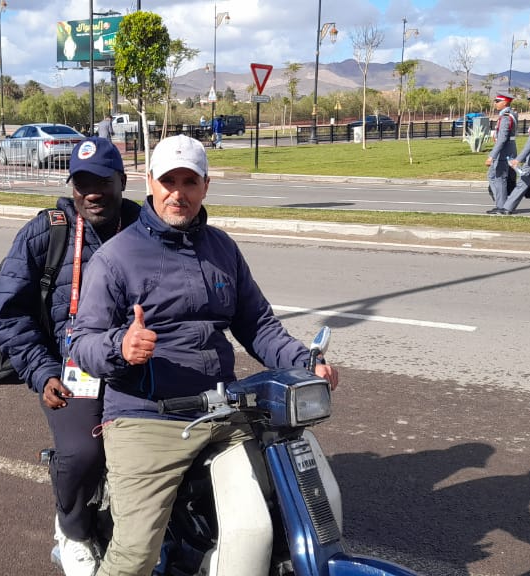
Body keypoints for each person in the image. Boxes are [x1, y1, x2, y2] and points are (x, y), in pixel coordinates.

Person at [67, 134, 339, 576]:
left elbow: (258, 324)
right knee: (135, 554)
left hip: (222, 410)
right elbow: (83, 343)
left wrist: (304, 362)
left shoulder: (221, 248)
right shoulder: (116, 258)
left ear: (205, 186)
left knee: (283, 509)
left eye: (189, 181)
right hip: (147, 419)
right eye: (169, 181)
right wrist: (122, 346)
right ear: (150, 183)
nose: (179, 193)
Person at [0, 136, 140, 576]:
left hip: (135, 365)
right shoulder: (47, 232)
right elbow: (8, 315)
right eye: (82, 182)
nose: (93, 192)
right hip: (69, 372)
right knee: (84, 453)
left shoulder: (142, 226)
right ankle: (72, 532)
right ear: (72, 185)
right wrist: (42, 372)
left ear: (122, 181)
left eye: (103, 182)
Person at [486, 94, 519, 213]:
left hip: (504, 150)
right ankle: (502, 202)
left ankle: (502, 205)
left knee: (499, 178)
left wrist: (491, 156)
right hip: (509, 148)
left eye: (498, 101)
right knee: (493, 176)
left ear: (505, 102)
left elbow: (502, 139)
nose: (495, 103)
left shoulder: (505, 117)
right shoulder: (511, 114)